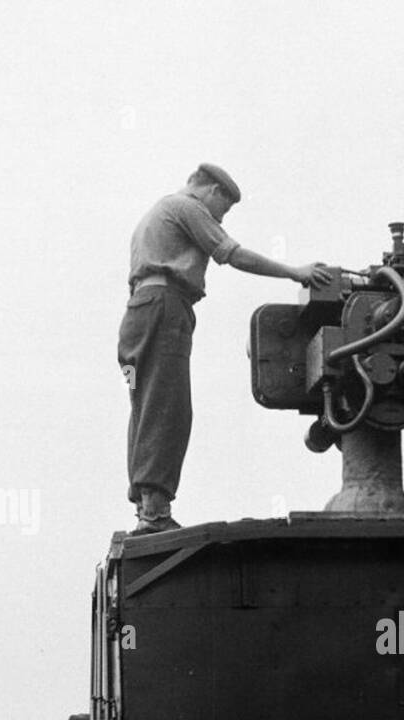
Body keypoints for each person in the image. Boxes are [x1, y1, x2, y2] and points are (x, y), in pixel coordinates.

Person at [118, 162, 333, 534]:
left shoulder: (157, 212)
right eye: (225, 208)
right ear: (213, 192)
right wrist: (294, 272)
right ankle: (154, 511)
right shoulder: (187, 208)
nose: (222, 216)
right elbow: (233, 254)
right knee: (168, 407)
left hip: (143, 308)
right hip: (165, 305)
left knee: (148, 406)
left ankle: (147, 506)